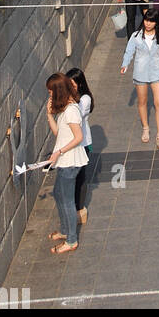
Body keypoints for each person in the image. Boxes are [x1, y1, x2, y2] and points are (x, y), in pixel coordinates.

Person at [45, 72, 88, 255]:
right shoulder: (64, 108)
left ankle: (71, 240)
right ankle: (65, 230)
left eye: (50, 92)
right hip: (64, 160)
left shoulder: (71, 110)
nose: (49, 95)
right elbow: (59, 135)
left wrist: (59, 152)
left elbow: (78, 137)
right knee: (58, 194)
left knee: (67, 200)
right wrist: (49, 116)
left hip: (70, 162)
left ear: (58, 91)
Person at [120, 8, 159, 148]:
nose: (148, 23)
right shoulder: (136, 36)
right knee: (142, 101)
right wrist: (125, 64)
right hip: (141, 73)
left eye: (151, 21)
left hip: (157, 72)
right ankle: (145, 128)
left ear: (156, 22)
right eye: (146, 20)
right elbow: (129, 51)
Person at [66, 66, 93, 227]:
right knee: (73, 178)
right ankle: (73, 208)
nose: (70, 87)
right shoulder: (71, 98)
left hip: (83, 143)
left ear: (79, 83)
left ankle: (79, 208)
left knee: (80, 177)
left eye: (73, 84)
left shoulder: (85, 99)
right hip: (73, 143)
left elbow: (77, 115)